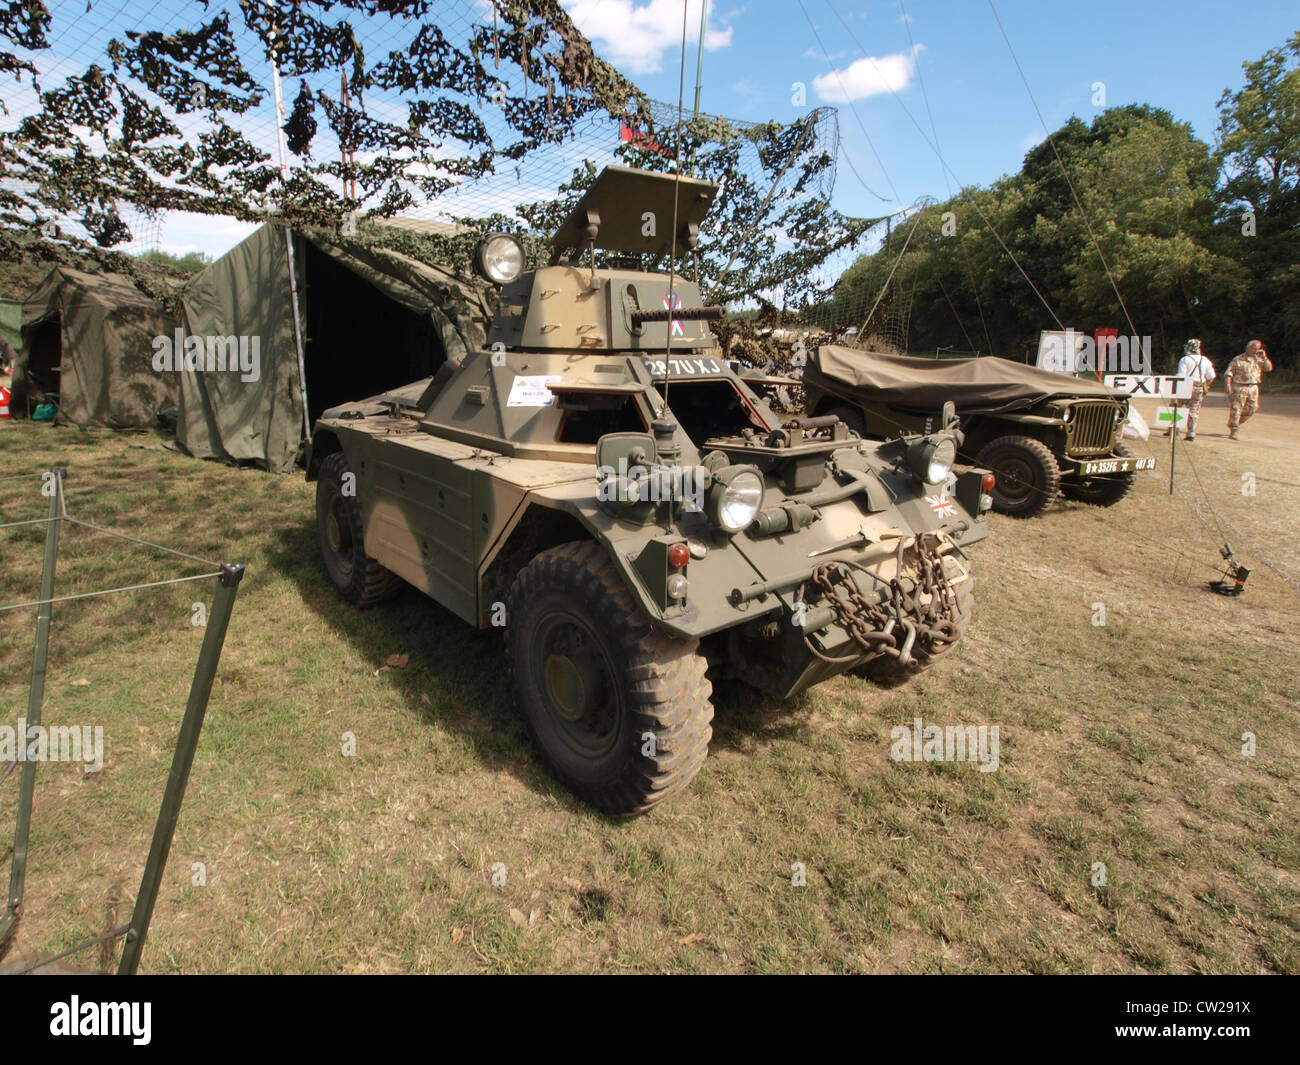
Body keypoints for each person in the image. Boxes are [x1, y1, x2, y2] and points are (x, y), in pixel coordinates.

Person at [1225, 339, 1273, 439]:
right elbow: (1228, 373)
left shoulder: (1259, 359)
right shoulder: (1238, 359)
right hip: (1239, 386)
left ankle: (1235, 422)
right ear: (1248, 348)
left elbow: (1268, 368)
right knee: (1236, 409)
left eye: (1257, 348)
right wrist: (1228, 386)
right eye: (1253, 348)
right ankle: (1234, 430)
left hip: (1253, 387)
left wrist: (1264, 357)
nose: (1255, 350)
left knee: (1252, 408)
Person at [1170, 338, 1215, 441]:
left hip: (1186, 385)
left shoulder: (1185, 359)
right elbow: (1211, 376)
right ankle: (1191, 433)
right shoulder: (1205, 360)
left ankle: (1173, 429)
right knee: (1194, 410)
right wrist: (1206, 385)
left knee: (1177, 407)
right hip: (1199, 387)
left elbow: (1181, 375)